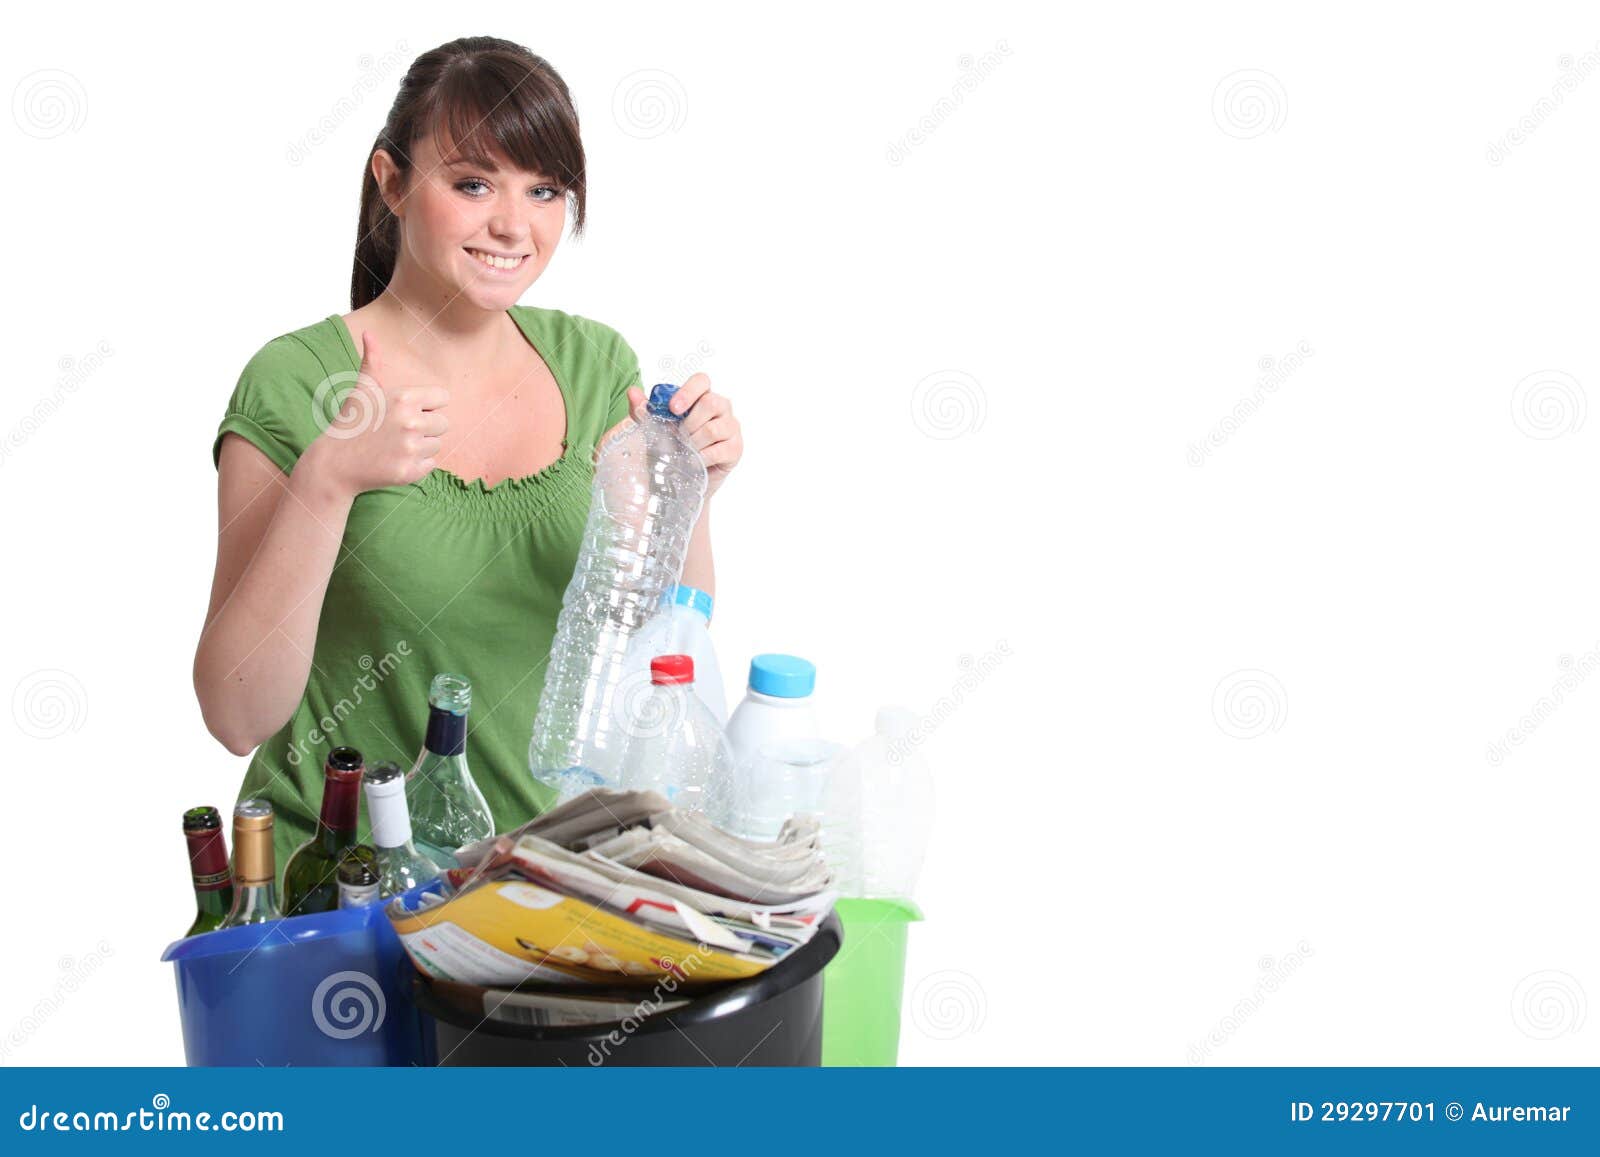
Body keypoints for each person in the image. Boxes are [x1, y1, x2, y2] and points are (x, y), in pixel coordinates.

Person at [192, 37, 743, 873]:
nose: (513, 225)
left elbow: (659, 661)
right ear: (392, 182)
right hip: (339, 889)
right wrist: (331, 477)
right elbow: (236, 713)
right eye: (473, 183)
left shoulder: (595, 366)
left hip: (549, 886)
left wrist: (687, 496)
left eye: (546, 189)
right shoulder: (296, 381)